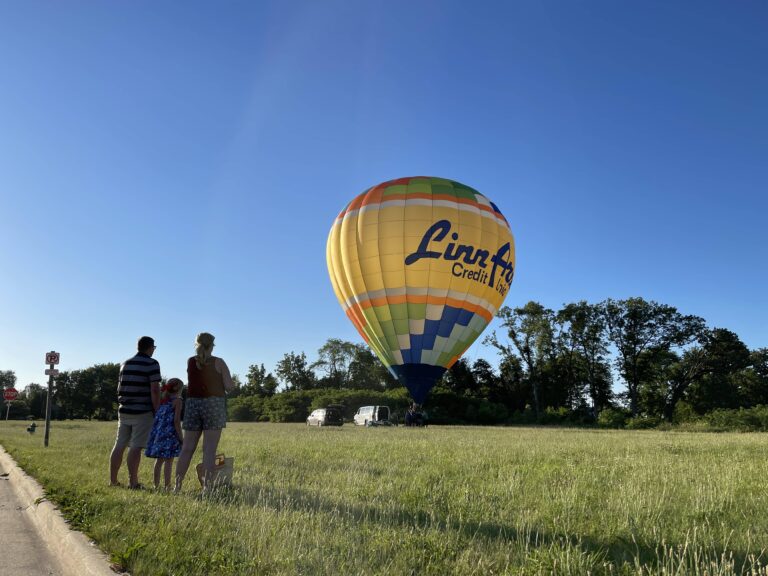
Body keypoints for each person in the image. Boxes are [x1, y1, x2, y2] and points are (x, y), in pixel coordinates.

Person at [174, 332, 234, 492]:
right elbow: (229, 386)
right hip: (213, 405)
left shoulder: (191, 362)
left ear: (197, 344)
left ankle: (177, 486)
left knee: (187, 448)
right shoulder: (219, 362)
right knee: (209, 450)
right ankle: (207, 488)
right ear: (212, 345)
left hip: (193, 405)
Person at [109, 336, 161, 489]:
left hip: (124, 410)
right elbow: (155, 390)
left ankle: (113, 480)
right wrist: (156, 409)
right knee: (136, 446)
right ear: (150, 347)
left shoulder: (125, 363)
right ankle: (133, 482)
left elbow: (119, 388)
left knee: (119, 445)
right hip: (142, 411)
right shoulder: (152, 364)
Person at [145, 378, 184, 490]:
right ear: (179, 389)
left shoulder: (163, 400)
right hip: (170, 435)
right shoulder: (178, 401)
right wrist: (181, 438)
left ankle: (156, 485)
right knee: (169, 461)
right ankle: (167, 486)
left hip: (158, 434)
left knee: (159, 460)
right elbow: (176, 421)